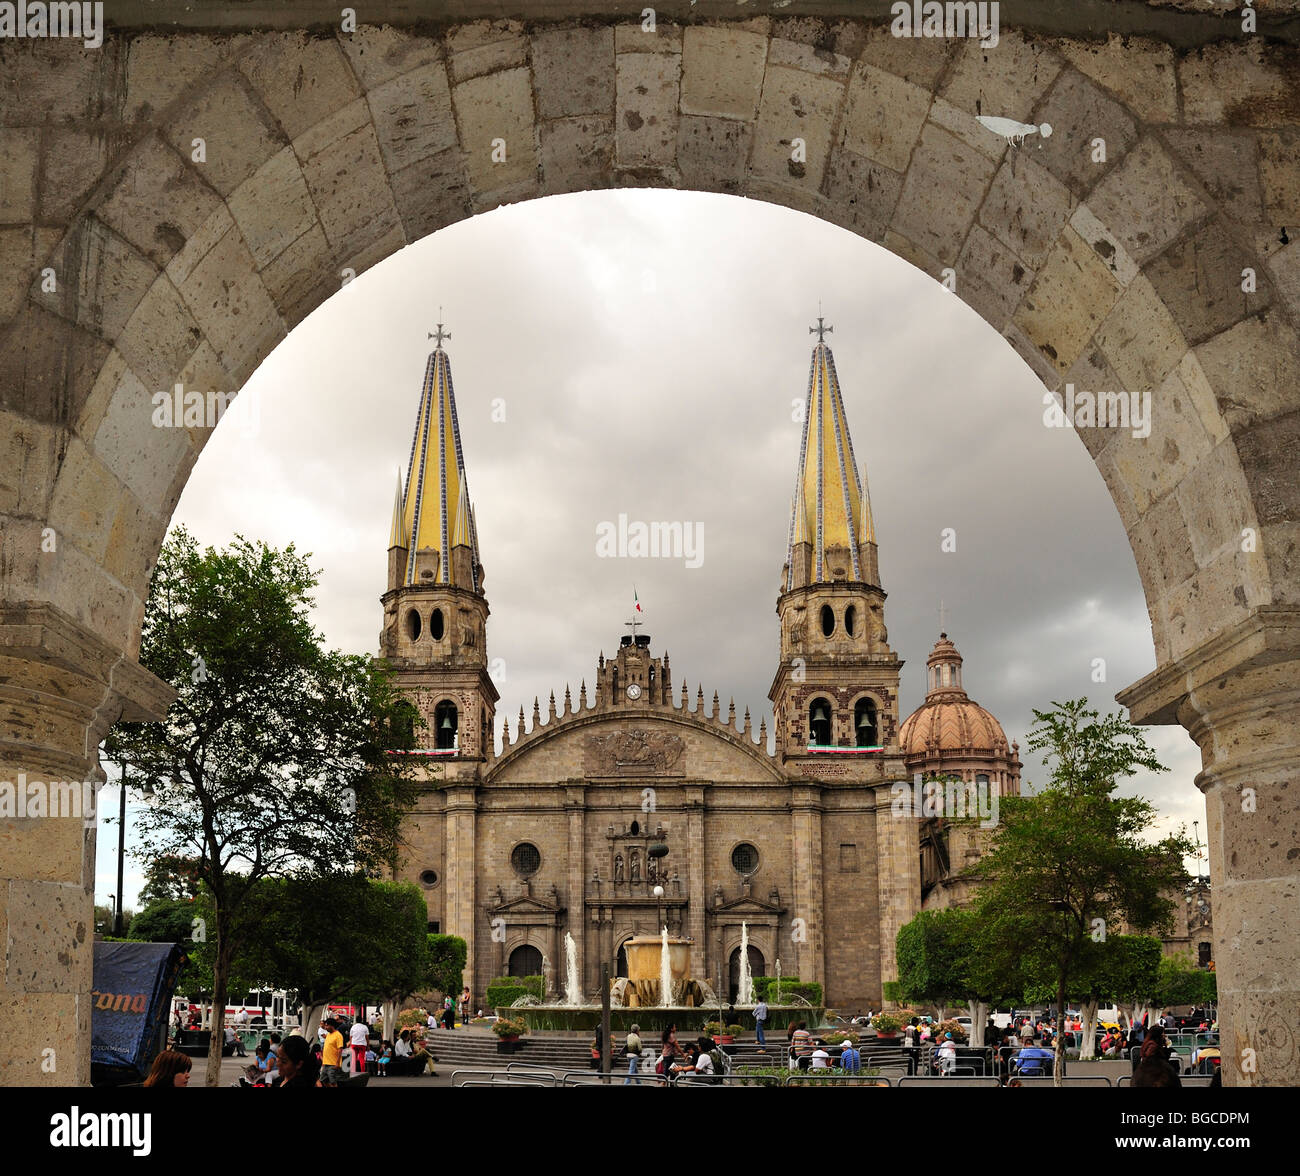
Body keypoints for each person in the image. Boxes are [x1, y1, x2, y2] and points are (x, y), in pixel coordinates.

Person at [320, 1017, 345, 1086]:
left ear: (331, 1025)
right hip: (326, 1063)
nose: (325, 1027)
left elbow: (340, 1049)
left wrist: (337, 1063)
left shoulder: (338, 1035)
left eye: (327, 1025)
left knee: (333, 1081)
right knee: (323, 1080)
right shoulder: (328, 1035)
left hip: (333, 1063)